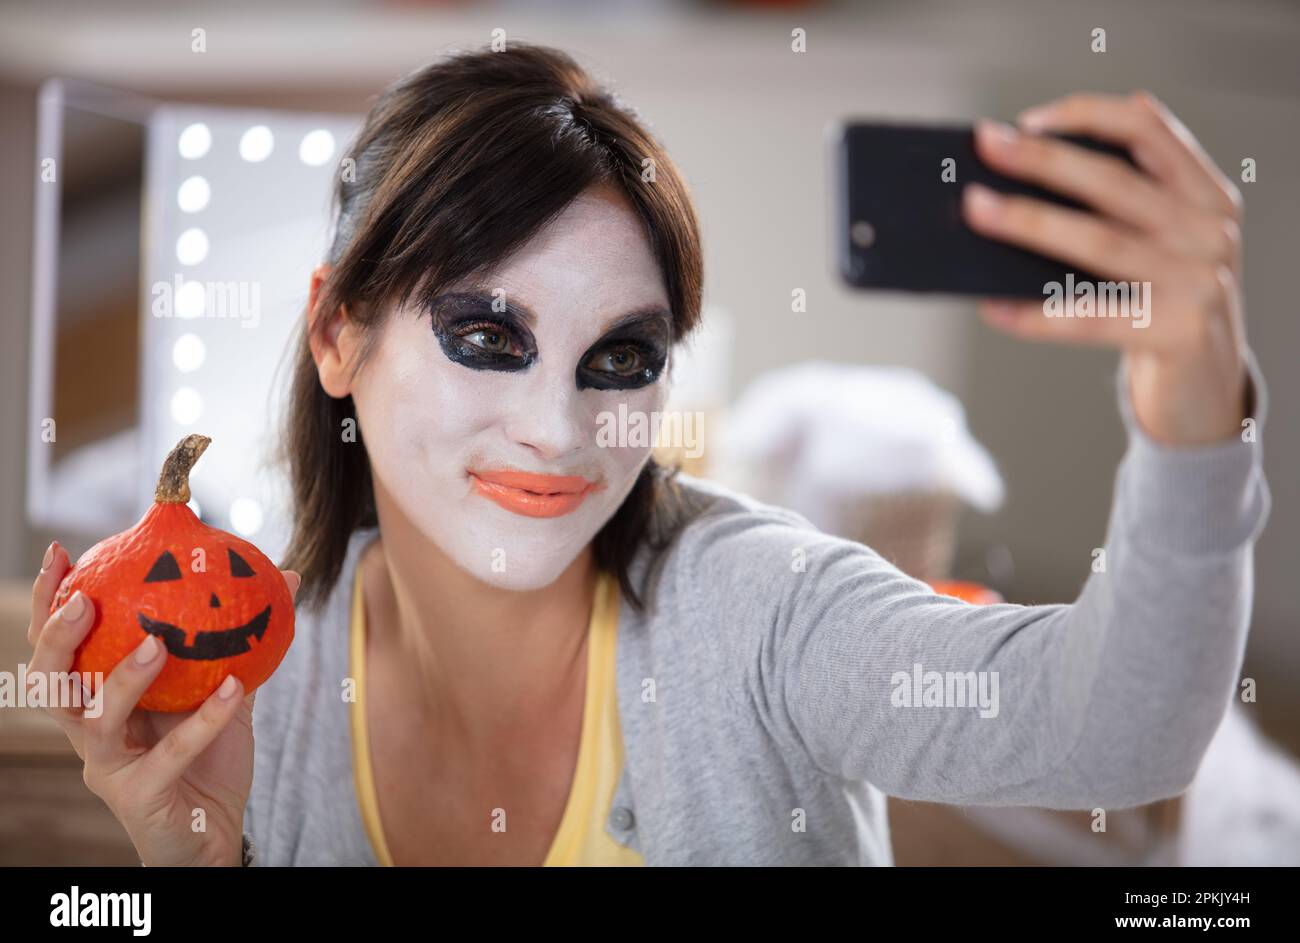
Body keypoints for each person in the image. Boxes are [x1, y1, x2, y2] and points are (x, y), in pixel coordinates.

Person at [25, 43, 1268, 866]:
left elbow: (1118, 731)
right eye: (483, 335)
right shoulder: (265, 674)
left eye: (620, 357)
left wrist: (1193, 406)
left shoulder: (762, 614)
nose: (560, 430)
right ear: (337, 332)